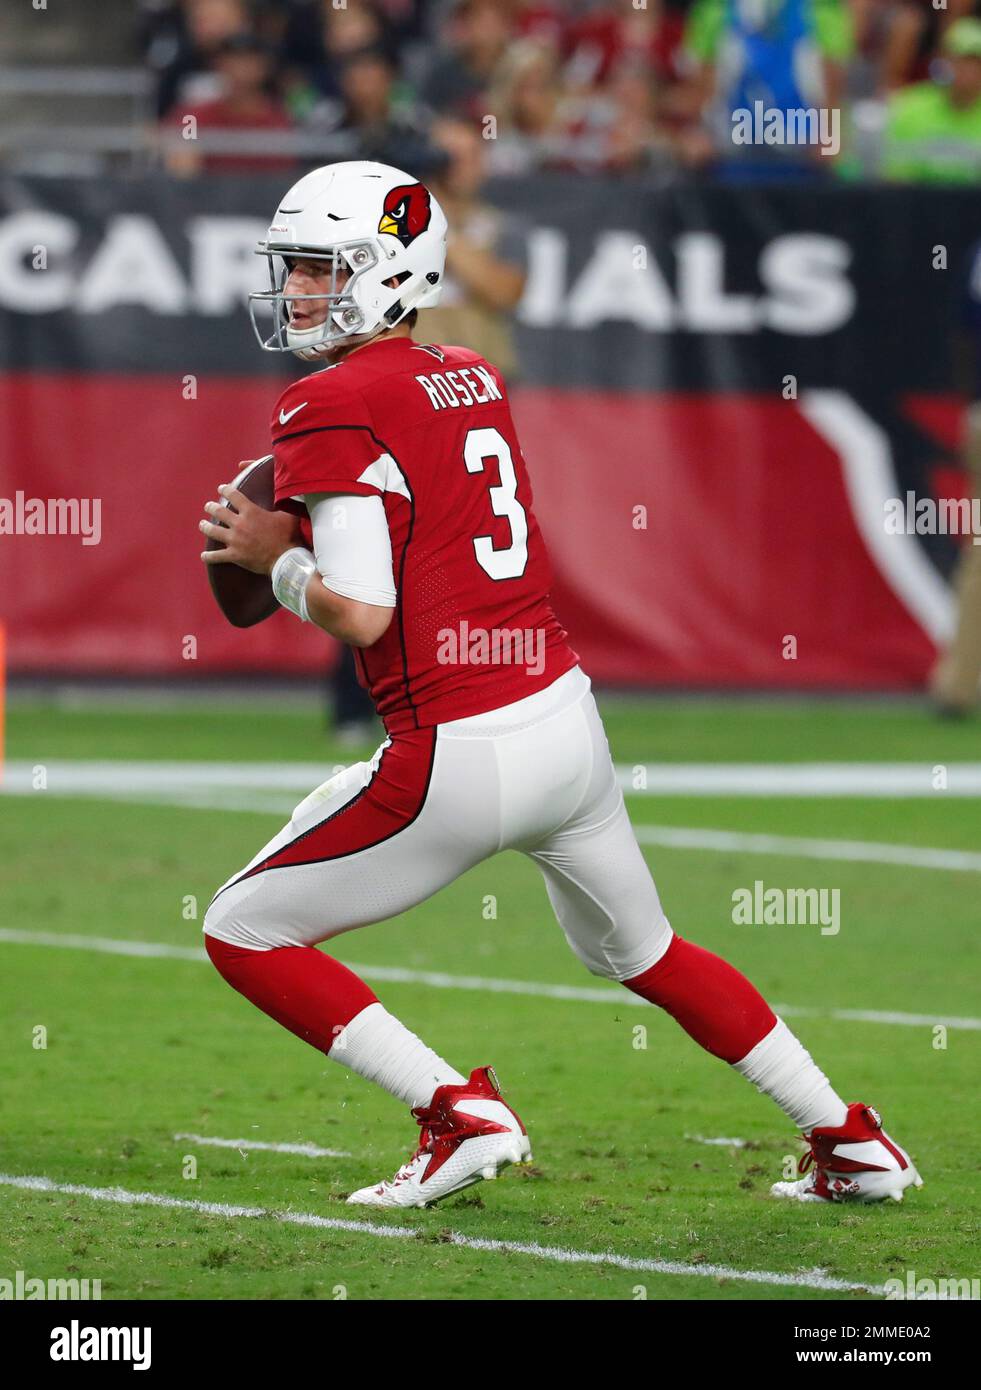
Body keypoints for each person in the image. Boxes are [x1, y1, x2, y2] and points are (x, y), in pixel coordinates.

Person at [198, 159, 921, 1209]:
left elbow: (363, 611)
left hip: (458, 745)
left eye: (320, 268)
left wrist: (279, 558)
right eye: (294, 269)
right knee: (648, 950)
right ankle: (849, 1137)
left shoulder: (329, 399)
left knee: (243, 928)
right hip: (562, 722)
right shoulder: (470, 372)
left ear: (389, 272)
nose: (298, 291)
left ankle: (457, 1112)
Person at [882, 16, 981, 184]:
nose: (968, 71)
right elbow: (895, 179)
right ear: (946, 62)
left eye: (976, 63)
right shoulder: (909, 107)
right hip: (917, 207)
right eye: (961, 61)